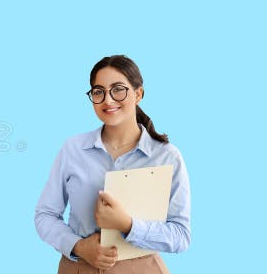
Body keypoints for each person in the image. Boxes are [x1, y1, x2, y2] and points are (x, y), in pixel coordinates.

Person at [35, 55, 191, 273]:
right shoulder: (73, 149)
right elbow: (45, 215)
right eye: (99, 91)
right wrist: (79, 246)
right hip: (78, 267)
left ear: (138, 94)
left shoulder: (167, 157)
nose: (108, 100)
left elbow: (181, 236)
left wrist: (128, 225)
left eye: (118, 89)